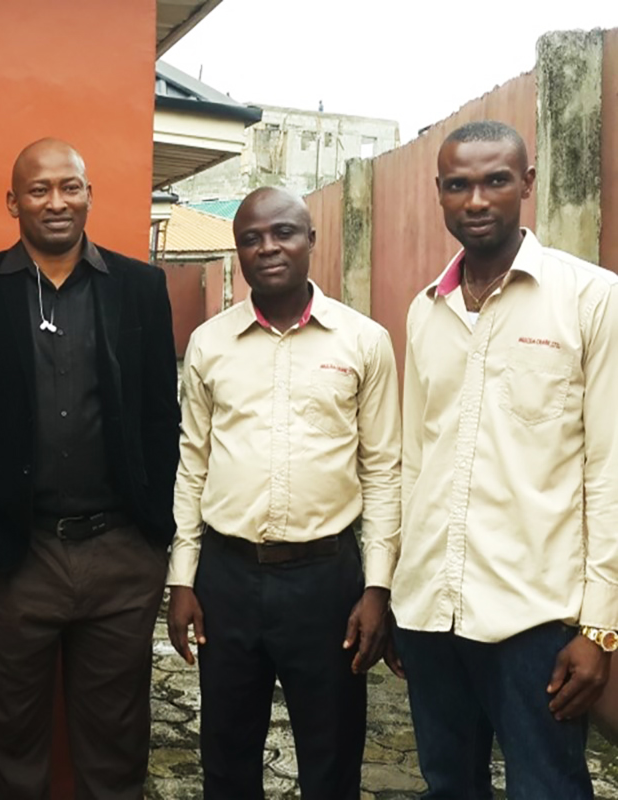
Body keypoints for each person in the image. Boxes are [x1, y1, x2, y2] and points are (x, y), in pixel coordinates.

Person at [0, 138, 179, 799]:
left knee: (116, 752)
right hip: (15, 556)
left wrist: (156, 535)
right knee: (11, 751)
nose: (56, 201)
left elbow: (160, 416)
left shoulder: (140, 289)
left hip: (122, 556)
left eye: (70, 186)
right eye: (39, 189)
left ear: (89, 194)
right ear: (14, 202)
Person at [393, 120, 618, 799]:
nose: (477, 200)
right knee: (448, 785)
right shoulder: (425, 311)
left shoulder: (591, 297)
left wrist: (601, 628)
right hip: (433, 612)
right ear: (439, 194)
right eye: (458, 185)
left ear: (526, 183)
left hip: (536, 621)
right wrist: (405, 594)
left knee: (547, 788)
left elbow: (608, 469)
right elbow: (414, 461)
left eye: (495, 181)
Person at [166, 186, 400, 799]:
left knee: (331, 757)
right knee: (227, 756)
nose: (267, 247)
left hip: (326, 581)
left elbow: (381, 470)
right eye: (251, 238)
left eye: (284, 233)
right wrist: (182, 579)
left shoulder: (363, 341)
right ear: (238, 250)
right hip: (227, 580)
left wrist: (377, 588)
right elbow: (193, 464)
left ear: (311, 240)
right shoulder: (209, 344)